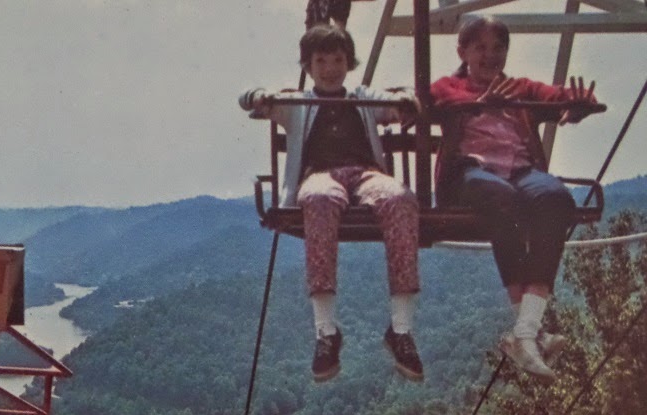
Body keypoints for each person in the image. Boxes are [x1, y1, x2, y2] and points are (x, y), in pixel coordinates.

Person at [239, 24, 423, 383]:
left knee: (400, 199)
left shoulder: (362, 97)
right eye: (320, 61)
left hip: (365, 174)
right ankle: (326, 331)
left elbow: (399, 105)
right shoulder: (298, 104)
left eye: (337, 59)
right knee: (319, 199)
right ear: (307, 66)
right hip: (320, 175)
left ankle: (401, 330)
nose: (329, 68)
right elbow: (247, 99)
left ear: (348, 63)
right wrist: (261, 96)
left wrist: (406, 100)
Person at [431, 16, 598, 380]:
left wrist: (578, 102)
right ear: (463, 52)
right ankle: (531, 333)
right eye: (481, 48)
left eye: (498, 48)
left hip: (519, 171)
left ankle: (526, 331)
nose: (491, 56)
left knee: (555, 198)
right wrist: (479, 101)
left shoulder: (518, 88)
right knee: (499, 197)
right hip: (471, 173)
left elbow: (555, 97)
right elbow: (439, 98)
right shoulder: (450, 85)